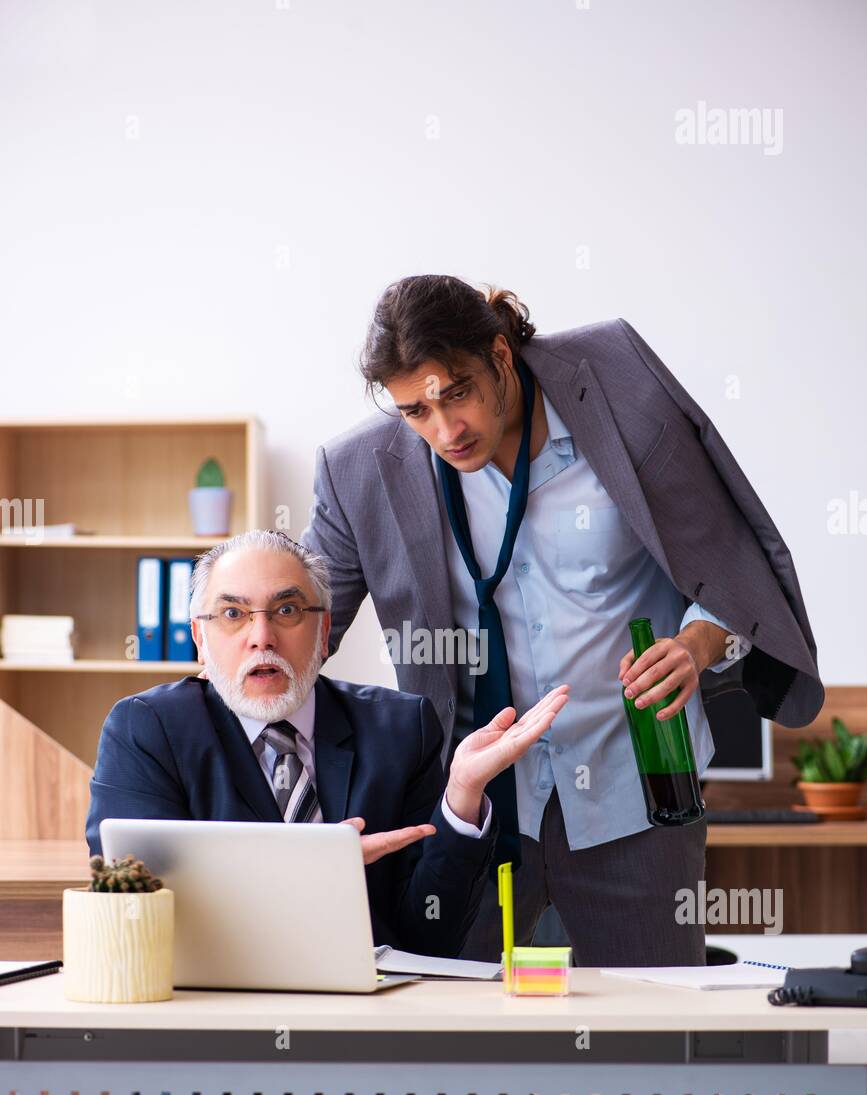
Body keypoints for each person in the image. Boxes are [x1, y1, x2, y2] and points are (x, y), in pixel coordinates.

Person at [300, 275, 824, 965]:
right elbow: (299, 625)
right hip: (467, 811)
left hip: (636, 790)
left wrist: (696, 644)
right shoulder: (357, 468)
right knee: (456, 1047)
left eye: (456, 392)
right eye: (414, 412)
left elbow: (727, 558)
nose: (444, 430)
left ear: (499, 354)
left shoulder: (617, 384)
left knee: (653, 1039)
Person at [85, 529, 568, 957]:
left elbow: (430, 939)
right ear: (200, 641)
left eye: (288, 610)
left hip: (365, 1016)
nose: (262, 637)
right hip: (214, 1010)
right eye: (233, 613)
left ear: (322, 633)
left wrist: (462, 796)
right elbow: (137, 909)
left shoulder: (402, 728)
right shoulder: (146, 729)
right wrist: (314, 865)